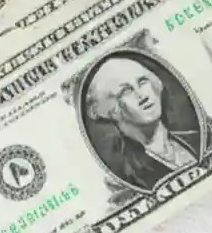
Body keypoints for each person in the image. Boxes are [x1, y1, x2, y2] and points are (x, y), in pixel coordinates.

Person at [85, 56, 201, 190]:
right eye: (126, 91)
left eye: (142, 82)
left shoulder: (195, 138)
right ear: (109, 110)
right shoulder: (126, 175)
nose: (143, 96)